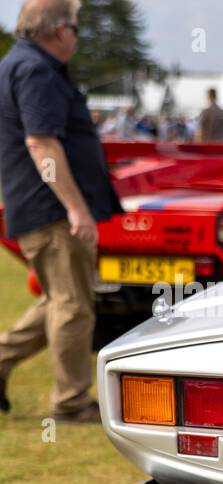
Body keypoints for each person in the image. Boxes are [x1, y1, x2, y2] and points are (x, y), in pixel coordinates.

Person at [0, 0, 122, 423]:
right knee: (73, 306)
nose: (77, 34)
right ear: (57, 30)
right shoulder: (37, 70)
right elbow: (42, 144)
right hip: (51, 211)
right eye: (74, 26)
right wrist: (76, 208)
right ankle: (70, 403)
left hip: (38, 207)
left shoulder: (22, 63)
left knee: (59, 300)